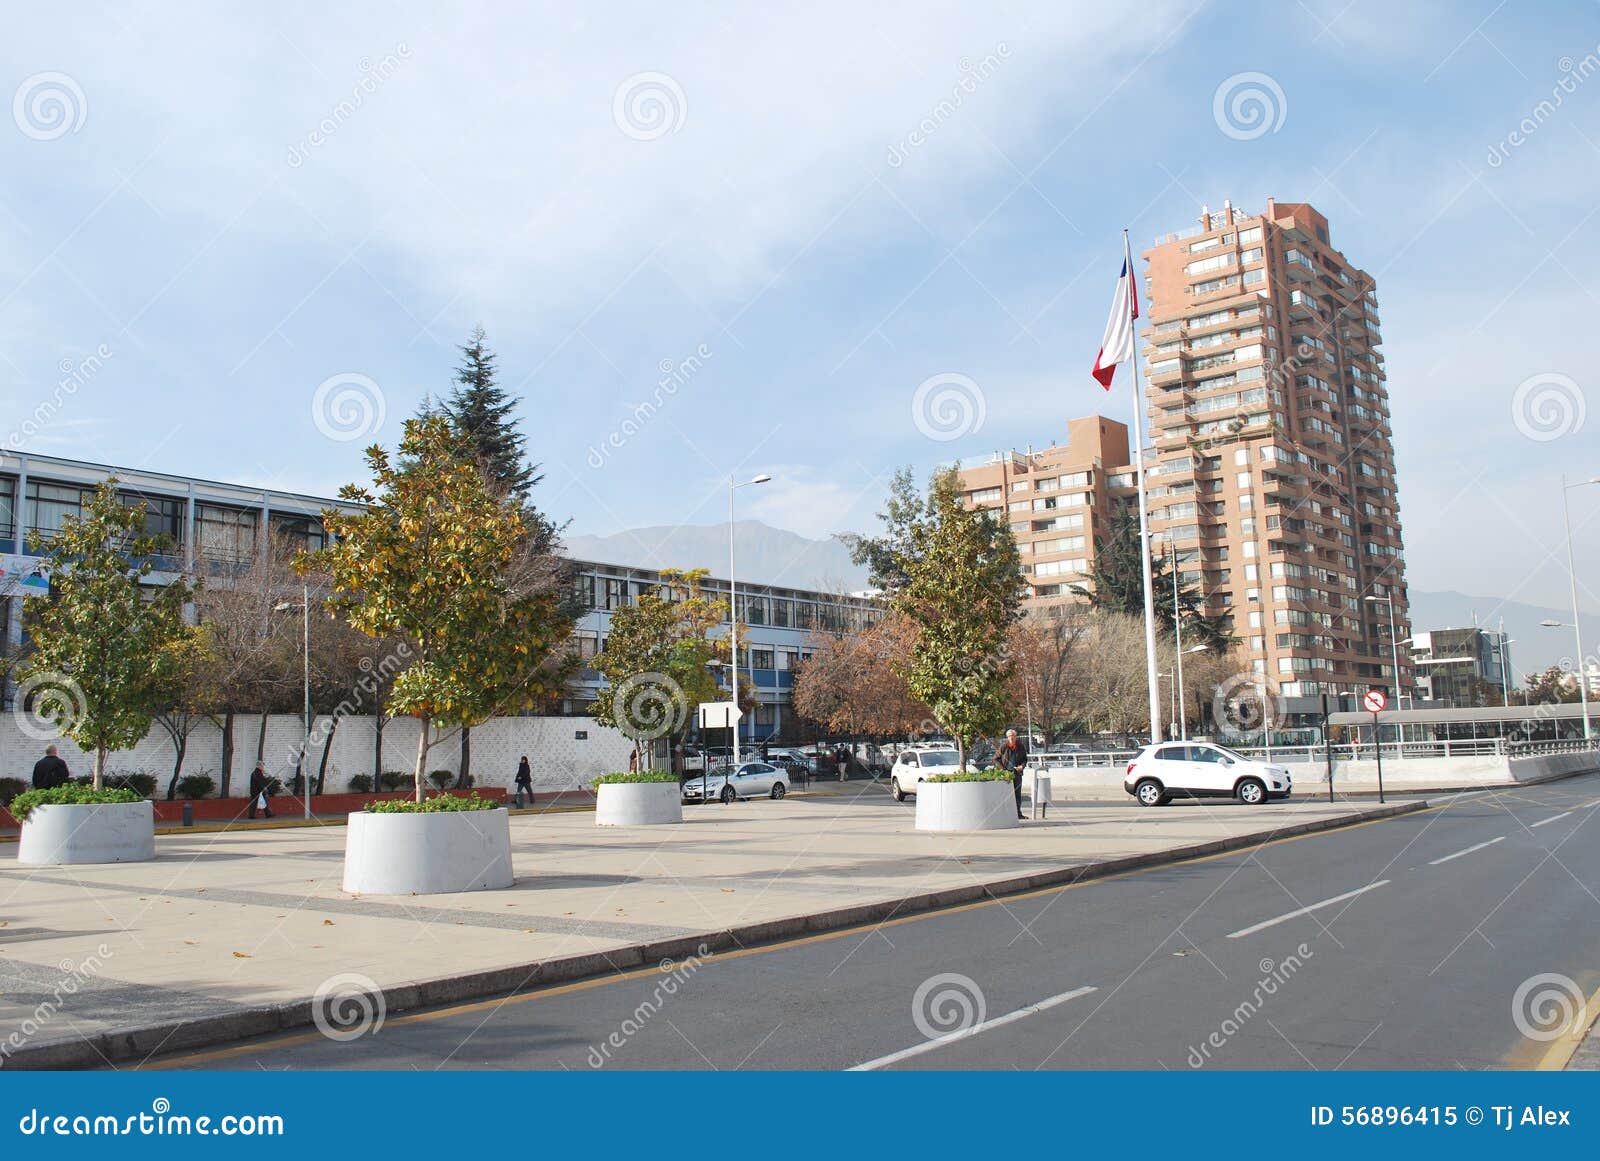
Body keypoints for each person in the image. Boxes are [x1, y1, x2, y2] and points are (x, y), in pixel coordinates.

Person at [996, 728, 1030, 819]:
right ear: (1007, 737)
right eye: (1009, 736)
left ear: (1016, 737)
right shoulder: (1004, 746)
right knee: (1007, 794)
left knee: (1017, 794)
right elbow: (996, 759)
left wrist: (1022, 766)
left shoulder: (1020, 746)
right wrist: (1003, 769)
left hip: (1017, 774)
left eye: (1013, 736)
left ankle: (1018, 813)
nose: (1011, 738)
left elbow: (1025, 759)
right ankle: (1006, 815)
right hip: (1006, 774)